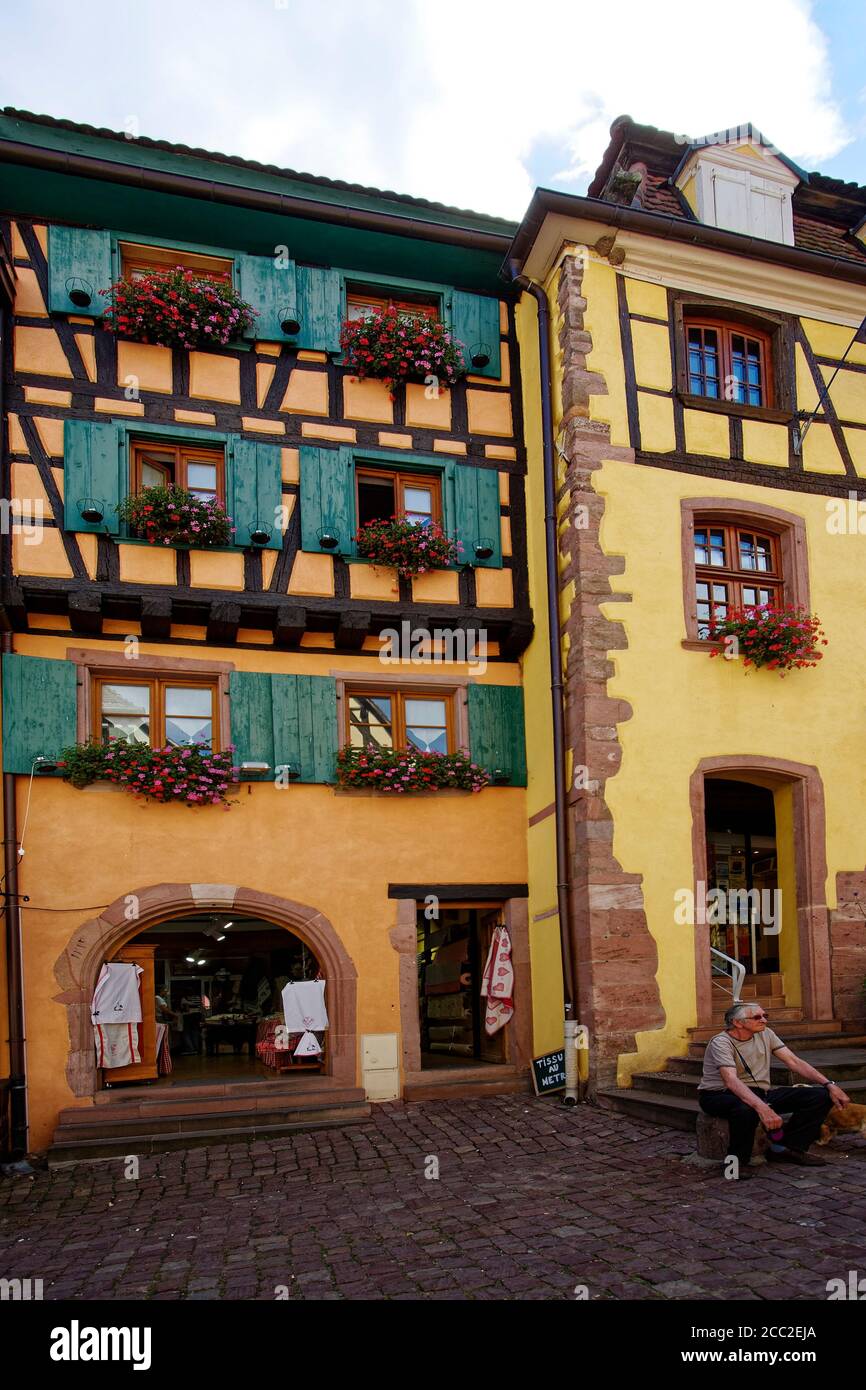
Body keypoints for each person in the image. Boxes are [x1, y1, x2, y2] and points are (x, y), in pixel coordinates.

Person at [698, 1001, 850, 1179]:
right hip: (718, 1095)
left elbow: (794, 1061)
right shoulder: (721, 1042)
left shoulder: (766, 1034)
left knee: (820, 1096)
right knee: (745, 1110)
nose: (763, 1020)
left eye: (765, 1016)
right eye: (757, 1017)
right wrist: (762, 1108)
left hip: (760, 1092)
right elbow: (730, 1080)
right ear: (737, 1022)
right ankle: (735, 1163)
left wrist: (829, 1084)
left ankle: (787, 1149)